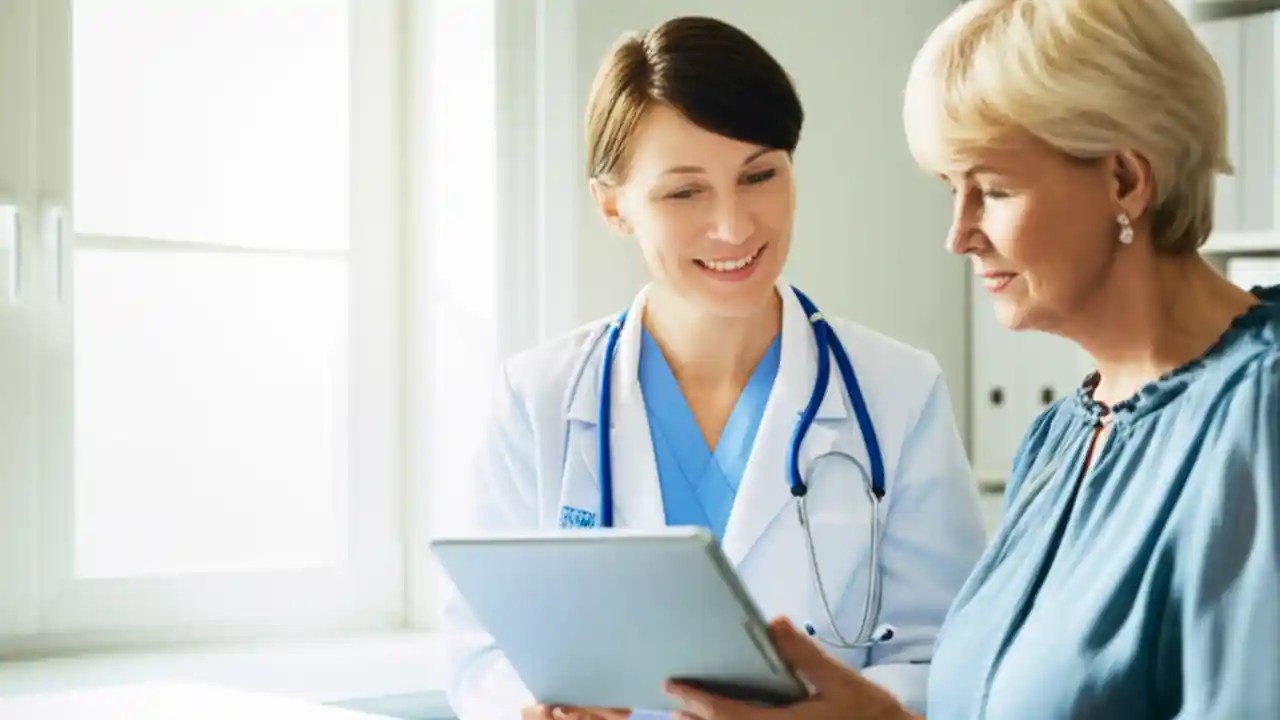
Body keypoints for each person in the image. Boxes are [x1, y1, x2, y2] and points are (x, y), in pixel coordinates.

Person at [665, 1, 1280, 718]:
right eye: (949, 191)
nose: (958, 237)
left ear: (1124, 181)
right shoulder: (1061, 438)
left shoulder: (1256, 417)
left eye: (992, 191)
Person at [440, 15, 988, 720]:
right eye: (683, 192)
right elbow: (480, 649)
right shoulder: (536, 399)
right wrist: (527, 707)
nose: (733, 226)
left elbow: (950, 655)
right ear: (612, 205)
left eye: (759, 175)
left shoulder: (898, 392)